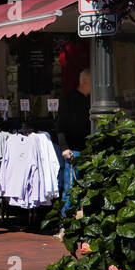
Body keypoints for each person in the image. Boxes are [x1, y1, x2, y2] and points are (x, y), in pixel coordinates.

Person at [56, 69, 92, 216]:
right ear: (84, 82)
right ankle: (66, 224)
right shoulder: (69, 99)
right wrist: (64, 147)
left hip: (88, 149)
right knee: (70, 187)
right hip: (73, 150)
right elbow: (60, 125)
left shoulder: (91, 99)